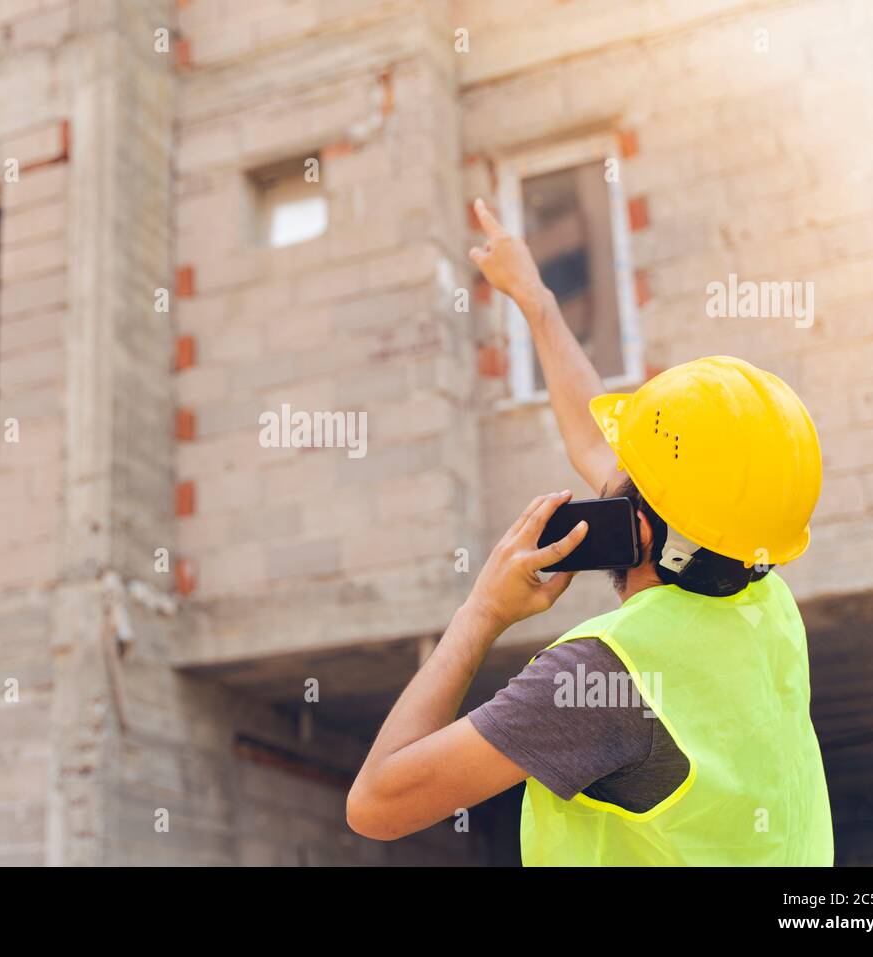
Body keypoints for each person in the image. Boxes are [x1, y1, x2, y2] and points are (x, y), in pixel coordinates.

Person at [346, 199, 833, 865]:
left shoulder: (604, 673)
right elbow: (596, 444)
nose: (607, 467)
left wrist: (482, 611)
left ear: (633, 526)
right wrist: (535, 299)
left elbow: (376, 803)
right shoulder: (768, 608)